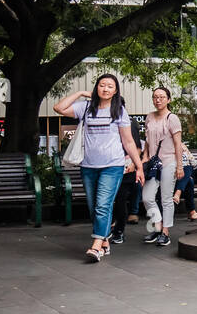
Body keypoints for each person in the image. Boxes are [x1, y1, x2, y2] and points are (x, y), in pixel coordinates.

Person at [53, 75, 146, 262]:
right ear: (96, 88)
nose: (105, 89)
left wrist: (139, 166)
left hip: (113, 165)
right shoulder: (86, 107)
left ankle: (96, 246)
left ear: (115, 91)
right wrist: (80, 93)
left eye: (110, 86)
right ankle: (105, 242)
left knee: (103, 205)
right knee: (94, 206)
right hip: (88, 166)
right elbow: (59, 108)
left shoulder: (119, 111)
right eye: (102, 85)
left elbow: (128, 142)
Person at [140, 86, 187, 246]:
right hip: (154, 164)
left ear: (168, 99)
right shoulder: (149, 117)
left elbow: (177, 144)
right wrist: (145, 157)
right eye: (155, 97)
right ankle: (158, 226)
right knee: (147, 197)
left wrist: (179, 166)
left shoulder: (172, 118)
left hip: (168, 162)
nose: (158, 100)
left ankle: (165, 232)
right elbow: (147, 140)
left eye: (161, 97)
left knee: (166, 199)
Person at [171, 147, 197, 222]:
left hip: (188, 172)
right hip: (175, 175)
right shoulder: (168, 146)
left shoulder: (183, 146)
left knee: (188, 168)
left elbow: (193, 162)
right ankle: (192, 212)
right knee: (190, 181)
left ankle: (178, 193)